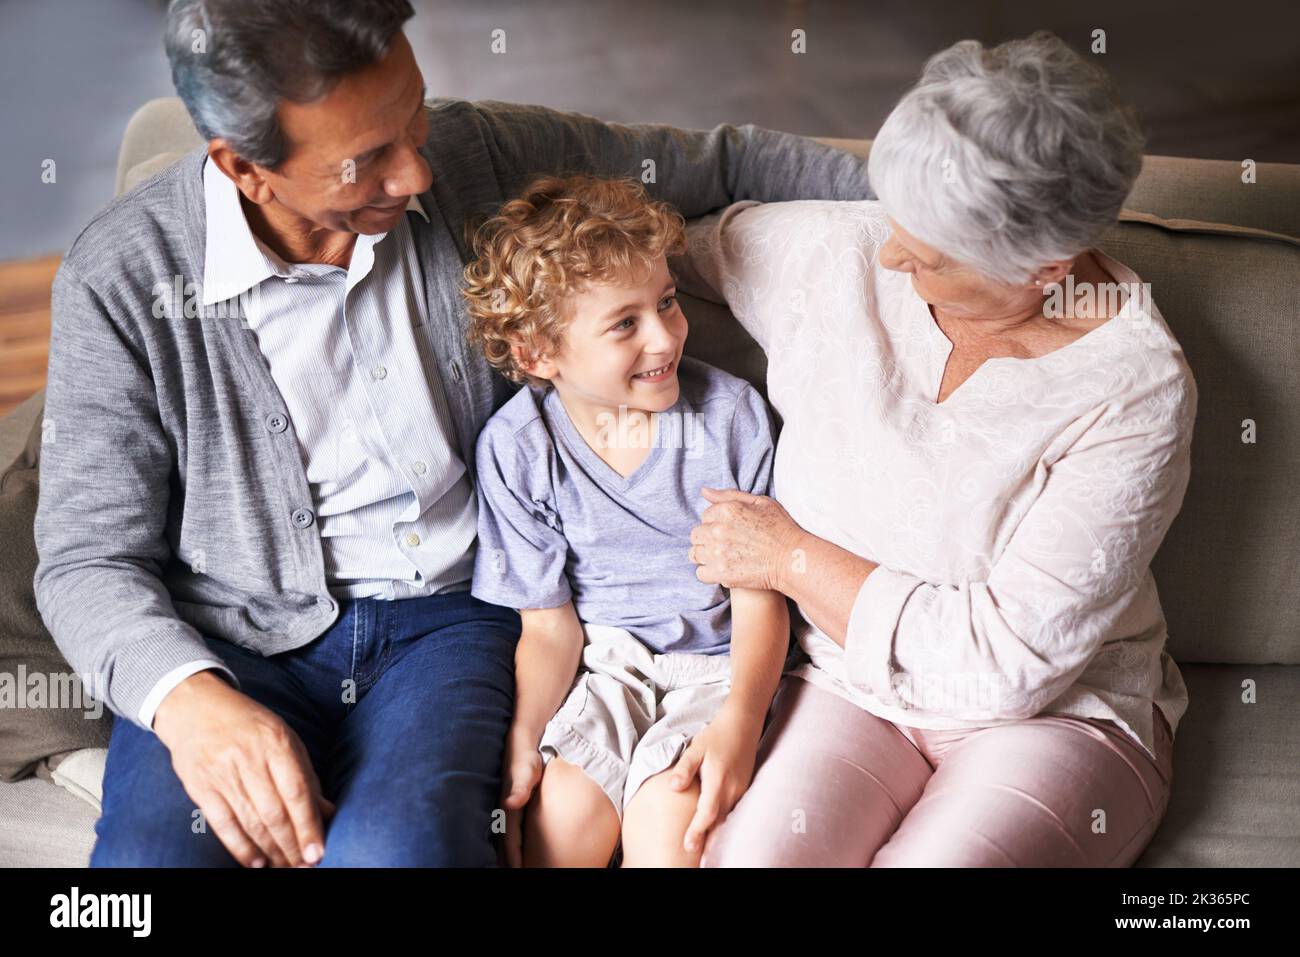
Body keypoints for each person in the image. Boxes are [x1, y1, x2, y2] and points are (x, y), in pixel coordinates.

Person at [33, 0, 873, 867]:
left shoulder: (477, 156)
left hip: (445, 626)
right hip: (225, 642)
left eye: (415, 116)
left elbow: (722, 161)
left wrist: (944, 214)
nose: (417, 174)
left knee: (403, 852)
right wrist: (188, 699)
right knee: (146, 869)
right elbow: (85, 558)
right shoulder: (122, 277)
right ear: (245, 169)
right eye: (369, 160)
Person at [677, 31, 1196, 866]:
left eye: (931, 259)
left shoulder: (1135, 389)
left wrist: (793, 558)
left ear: (1045, 268)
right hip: (845, 687)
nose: (890, 253)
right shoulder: (840, 251)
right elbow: (637, 243)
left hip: (1054, 713)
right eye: (896, 221)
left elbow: (1007, 665)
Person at [462, 174, 790, 867]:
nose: (665, 337)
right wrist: (524, 738)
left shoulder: (729, 418)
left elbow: (760, 599)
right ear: (535, 353)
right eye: (625, 323)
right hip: (607, 671)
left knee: (666, 825)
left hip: (717, 671)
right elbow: (549, 626)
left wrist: (742, 717)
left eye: (667, 303)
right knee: (564, 820)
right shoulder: (519, 449)